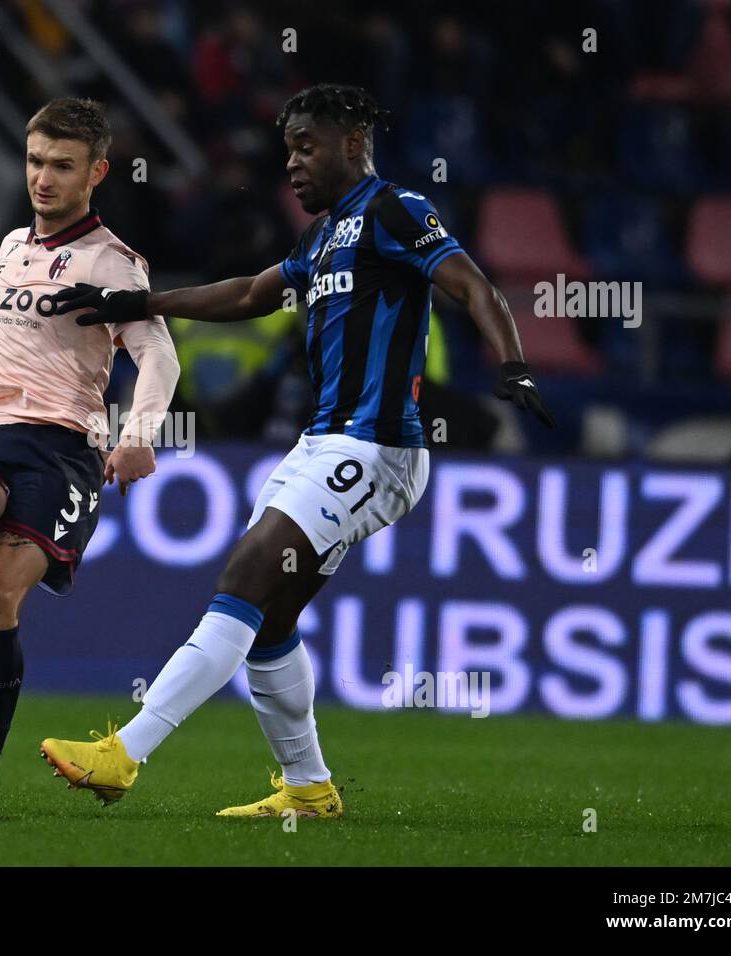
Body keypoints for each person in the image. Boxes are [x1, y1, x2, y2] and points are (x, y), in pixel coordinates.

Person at [40, 83, 556, 817]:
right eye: (288, 150)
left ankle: (124, 754)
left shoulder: (394, 211)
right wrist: (143, 303)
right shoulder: (324, 236)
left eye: (306, 147)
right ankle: (308, 788)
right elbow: (252, 292)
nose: (292, 164)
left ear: (352, 144)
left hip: (376, 448)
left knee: (247, 574)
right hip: (324, 444)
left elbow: (471, 283)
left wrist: (513, 363)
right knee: (269, 621)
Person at [0, 97, 180, 813]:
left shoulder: (114, 265)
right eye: (35, 161)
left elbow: (158, 355)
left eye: (62, 166)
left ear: (97, 172)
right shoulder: (11, 247)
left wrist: (138, 435)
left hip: (60, 449)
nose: (43, 179)